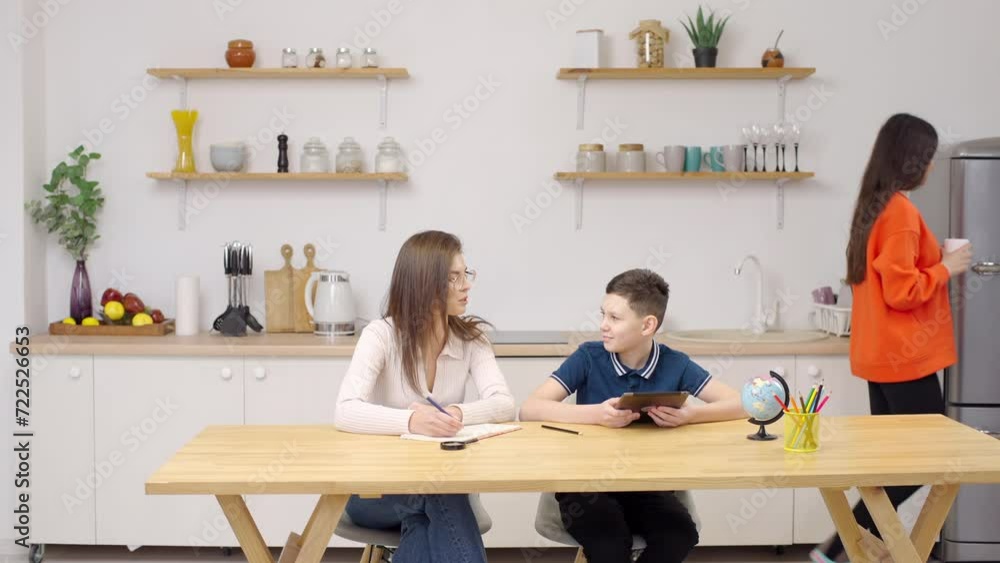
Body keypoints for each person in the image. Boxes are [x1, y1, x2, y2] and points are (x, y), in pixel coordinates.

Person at [811, 113, 974, 563]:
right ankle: (840, 546)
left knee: (892, 464)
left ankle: (850, 549)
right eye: (928, 157)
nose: (933, 167)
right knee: (920, 463)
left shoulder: (874, 206)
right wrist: (947, 267)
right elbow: (903, 292)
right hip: (907, 360)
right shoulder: (901, 213)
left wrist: (933, 256)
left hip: (881, 359)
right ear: (910, 161)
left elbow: (889, 277)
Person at [519, 268, 745, 563]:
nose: (603, 325)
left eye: (614, 318)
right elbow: (529, 408)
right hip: (587, 488)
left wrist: (690, 416)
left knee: (680, 534)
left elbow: (742, 404)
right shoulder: (588, 357)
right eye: (603, 315)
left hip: (647, 487)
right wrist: (597, 414)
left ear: (647, 325)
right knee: (611, 543)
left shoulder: (675, 364)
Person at [334, 230, 516, 563]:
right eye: (454, 278)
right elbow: (345, 410)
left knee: (426, 514)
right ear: (424, 284)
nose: (466, 285)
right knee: (441, 491)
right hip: (374, 491)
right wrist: (412, 421)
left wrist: (459, 414)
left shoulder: (471, 340)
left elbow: (505, 405)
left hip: (439, 487)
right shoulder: (382, 335)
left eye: (466, 274)